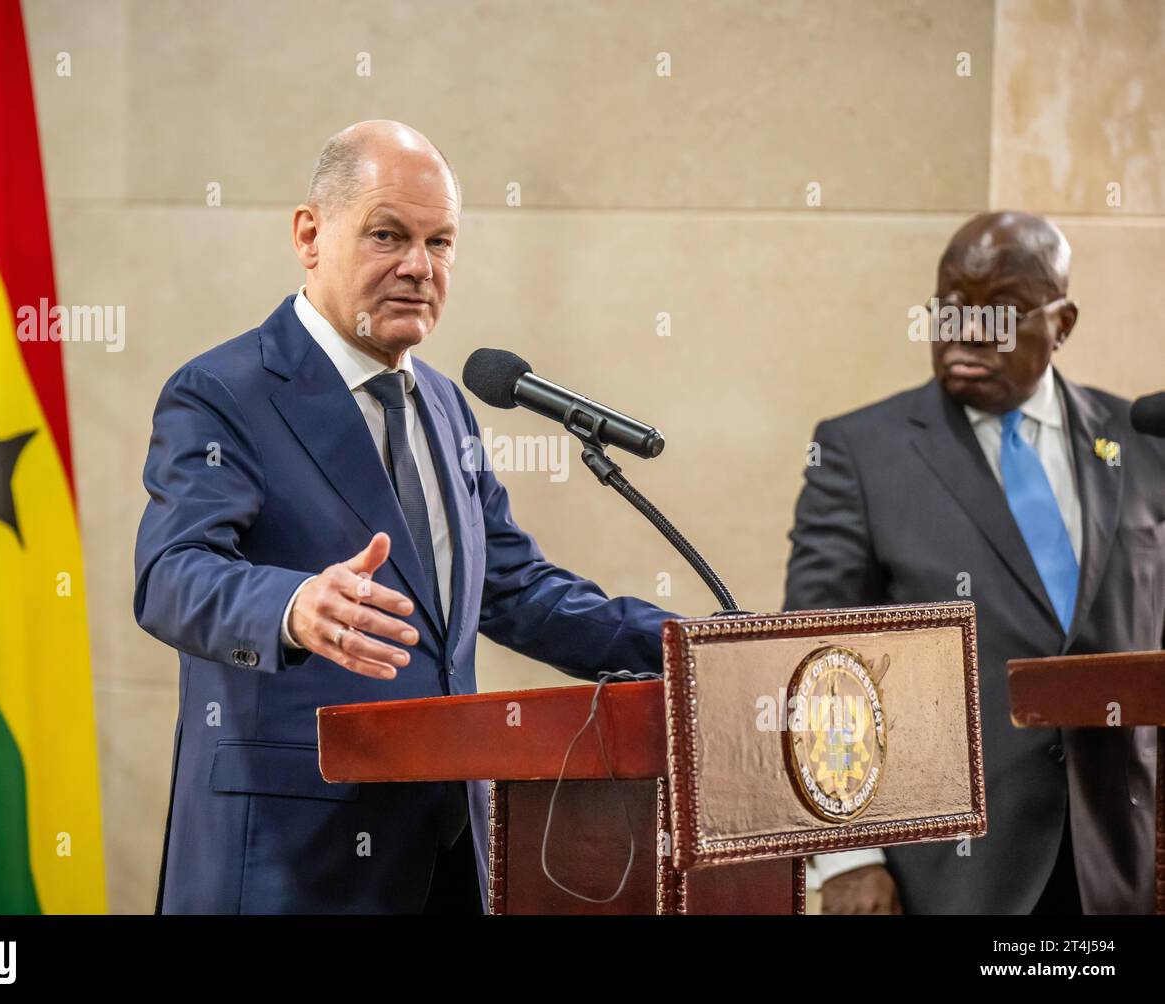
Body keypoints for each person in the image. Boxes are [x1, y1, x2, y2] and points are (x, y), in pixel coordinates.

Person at [133, 120, 673, 914]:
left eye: (441, 243)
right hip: (292, 857)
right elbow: (170, 576)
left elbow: (515, 590)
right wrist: (290, 606)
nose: (420, 268)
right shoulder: (223, 391)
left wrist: (687, 651)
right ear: (310, 235)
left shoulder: (447, 406)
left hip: (450, 848)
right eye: (389, 235)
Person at [785, 211, 1163, 914]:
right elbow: (821, 654)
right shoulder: (861, 453)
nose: (966, 332)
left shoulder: (1141, 443)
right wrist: (848, 854)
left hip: (1120, 859)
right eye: (951, 308)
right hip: (943, 870)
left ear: (1064, 323)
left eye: (1003, 311)